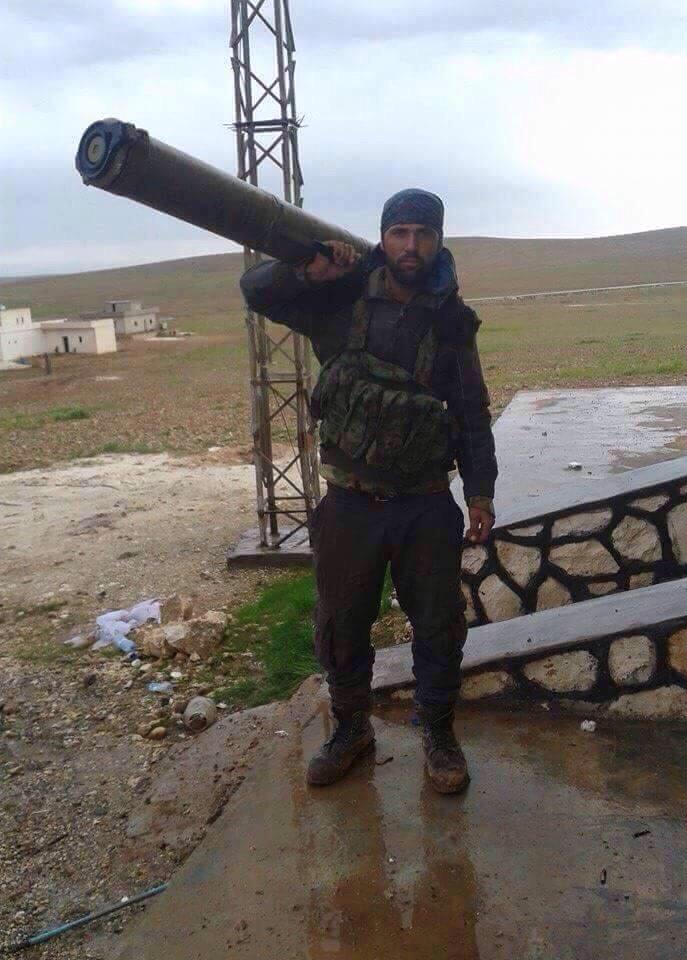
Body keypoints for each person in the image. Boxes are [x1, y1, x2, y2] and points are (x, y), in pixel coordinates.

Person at [240, 188, 497, 794]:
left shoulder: (452, 320)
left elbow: (471, 411)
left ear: (438, 240)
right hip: (351, 502)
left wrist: (480, 492)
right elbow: (255, 291)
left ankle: (439, 735)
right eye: (400, 232)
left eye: (423, 234)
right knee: (342, 623)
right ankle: (351, 729)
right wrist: (306, 271)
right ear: (383, 237)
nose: (411, 245)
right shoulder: (340, 297)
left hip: (425, 502)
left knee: (438, 627)